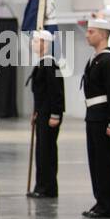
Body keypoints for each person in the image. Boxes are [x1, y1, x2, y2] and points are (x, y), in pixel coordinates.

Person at [80, 16, 110, 219]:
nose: (88, 35)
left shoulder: (109, 60)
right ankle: (101, 201)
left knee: (106, 162)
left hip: (104, 118)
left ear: (103, 35)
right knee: (96, 162)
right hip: (93, 117)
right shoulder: (96, 59)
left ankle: (109, 205)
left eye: (92, 32)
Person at [26, 30, 64, 198]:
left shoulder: (50, 64)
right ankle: (41, 185)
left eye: (36, 41)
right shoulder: (42, 63)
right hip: (42, 113)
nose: (33, 43)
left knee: (47, 151)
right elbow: (40, 93)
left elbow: (56, 92)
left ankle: (47, 187)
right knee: (41, 151)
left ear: (45, 44)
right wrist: (36, 112)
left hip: (50, 115)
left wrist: (55, 114)